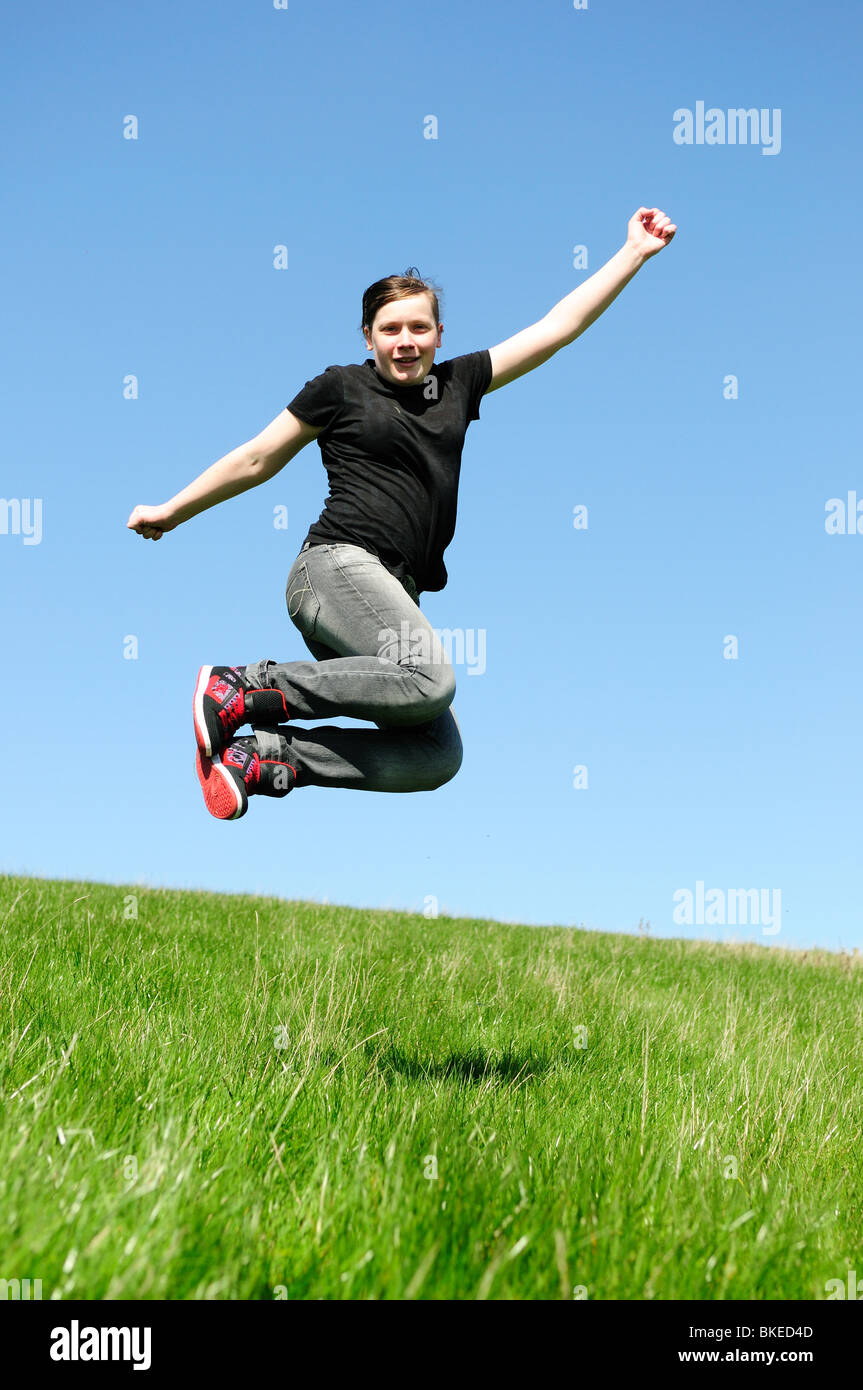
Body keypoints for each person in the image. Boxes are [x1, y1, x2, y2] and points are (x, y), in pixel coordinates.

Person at [127, 207, 676, 820]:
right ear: (368, 337)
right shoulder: (340, 387)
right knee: (429, 677)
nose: (406, 341)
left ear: (440, 335)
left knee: (437, 753)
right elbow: (257, 458)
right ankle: (243, 687)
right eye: (390, 329)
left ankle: (265, 760)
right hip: (334, 569)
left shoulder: (459, 384)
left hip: (393, 594)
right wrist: (174, 509)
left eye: (419, 327)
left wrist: (632, 253)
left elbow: (559, 326)